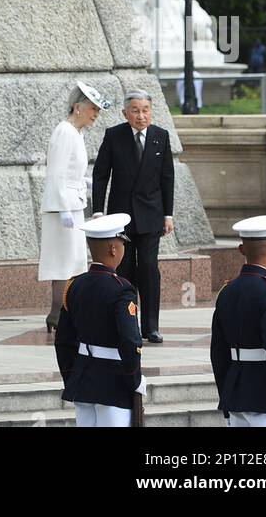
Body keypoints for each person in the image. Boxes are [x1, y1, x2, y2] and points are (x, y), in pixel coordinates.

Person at [91, 90, 174, 343]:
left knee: (149, 268)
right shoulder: (114, 136)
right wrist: (98, 211)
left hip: (151, 217)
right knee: (124, 270)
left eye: (145, 110)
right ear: (125, 114)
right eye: (136, 111)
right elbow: (101, 174)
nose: (141, 115)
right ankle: (128, 324)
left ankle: (151, 327)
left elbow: (167, 178)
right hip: (122, 217)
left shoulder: (161, 136)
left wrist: (168, 215)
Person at [55, 212, 145, 427]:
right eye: (122, 243)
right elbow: (130, 342)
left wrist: (71, 377)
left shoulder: (74, 285)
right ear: (114, 249)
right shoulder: (122, 289)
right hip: (114, 382)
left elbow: (63, 341)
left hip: (82, 378)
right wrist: (134, 380)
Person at [210, 215, 266, 428]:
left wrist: (226, 396)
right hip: (264, 395)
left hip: (235, 393)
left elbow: (218, 353)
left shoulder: (226, 292)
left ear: (241, 250)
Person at [39, 81, 110, 332]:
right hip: (63, 209)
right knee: (64, 262)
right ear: (77, 107)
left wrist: (86, 184)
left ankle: (63, 312)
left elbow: (71, 172)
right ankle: (58, 313)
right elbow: (56, 173)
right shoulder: (65, 131)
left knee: (74, 261)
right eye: (93, 109)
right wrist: (63, 209)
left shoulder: (76, 133)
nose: (96, 115)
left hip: (73, 204)